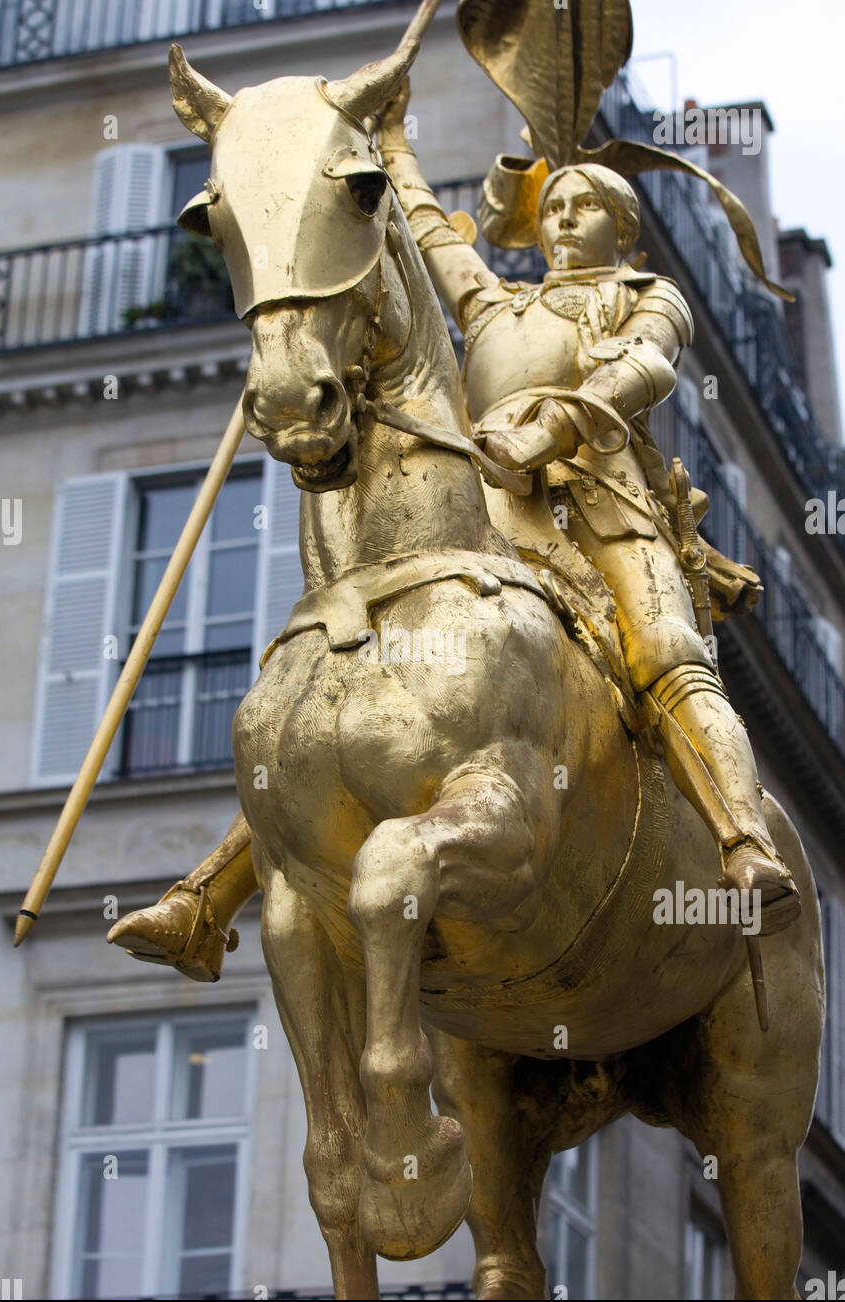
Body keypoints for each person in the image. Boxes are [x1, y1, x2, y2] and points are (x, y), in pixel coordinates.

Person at [109, 87, 798, 981]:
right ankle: (209, 896)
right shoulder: (500, 309)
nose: (562, 219)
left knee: (666, 649)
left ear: (622, 228)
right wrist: (391, 144)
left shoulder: (644, 292)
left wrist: (556, 423)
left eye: (585, 206)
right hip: (492, 510)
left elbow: (649, 363)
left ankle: (743, 841)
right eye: (553, 206)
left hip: (601, 507)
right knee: (340, 689)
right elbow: (431, 234)